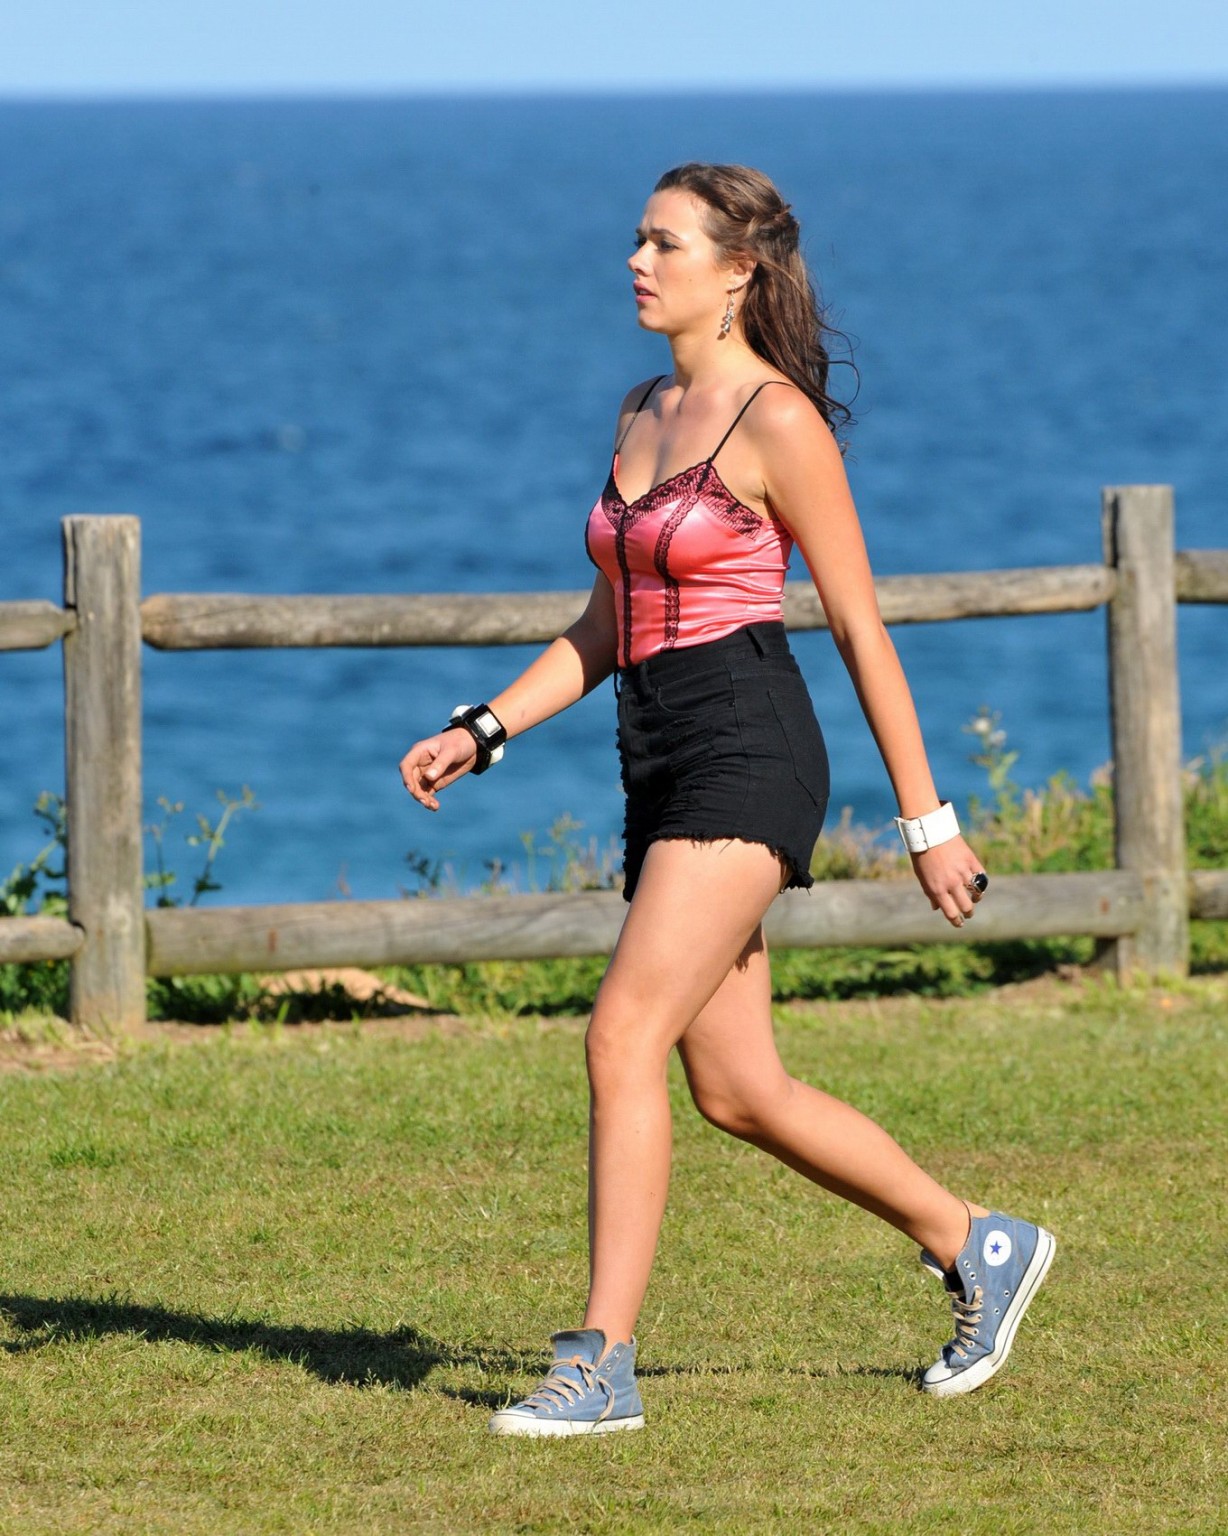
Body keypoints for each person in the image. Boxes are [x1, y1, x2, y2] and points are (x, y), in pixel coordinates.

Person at [398, 162, 1055, 1438]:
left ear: (737, 269)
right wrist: (484, 728)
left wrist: (928, 826)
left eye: (664, 244)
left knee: (618, 1038)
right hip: (657, 754)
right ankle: (973, 1242)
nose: (637, 263)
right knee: (737, 1088)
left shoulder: (776, 422)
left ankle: (599, 1364)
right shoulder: (644, 409)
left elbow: (860, 628)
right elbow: (608, 620)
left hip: (750, 751)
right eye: (635, 241)